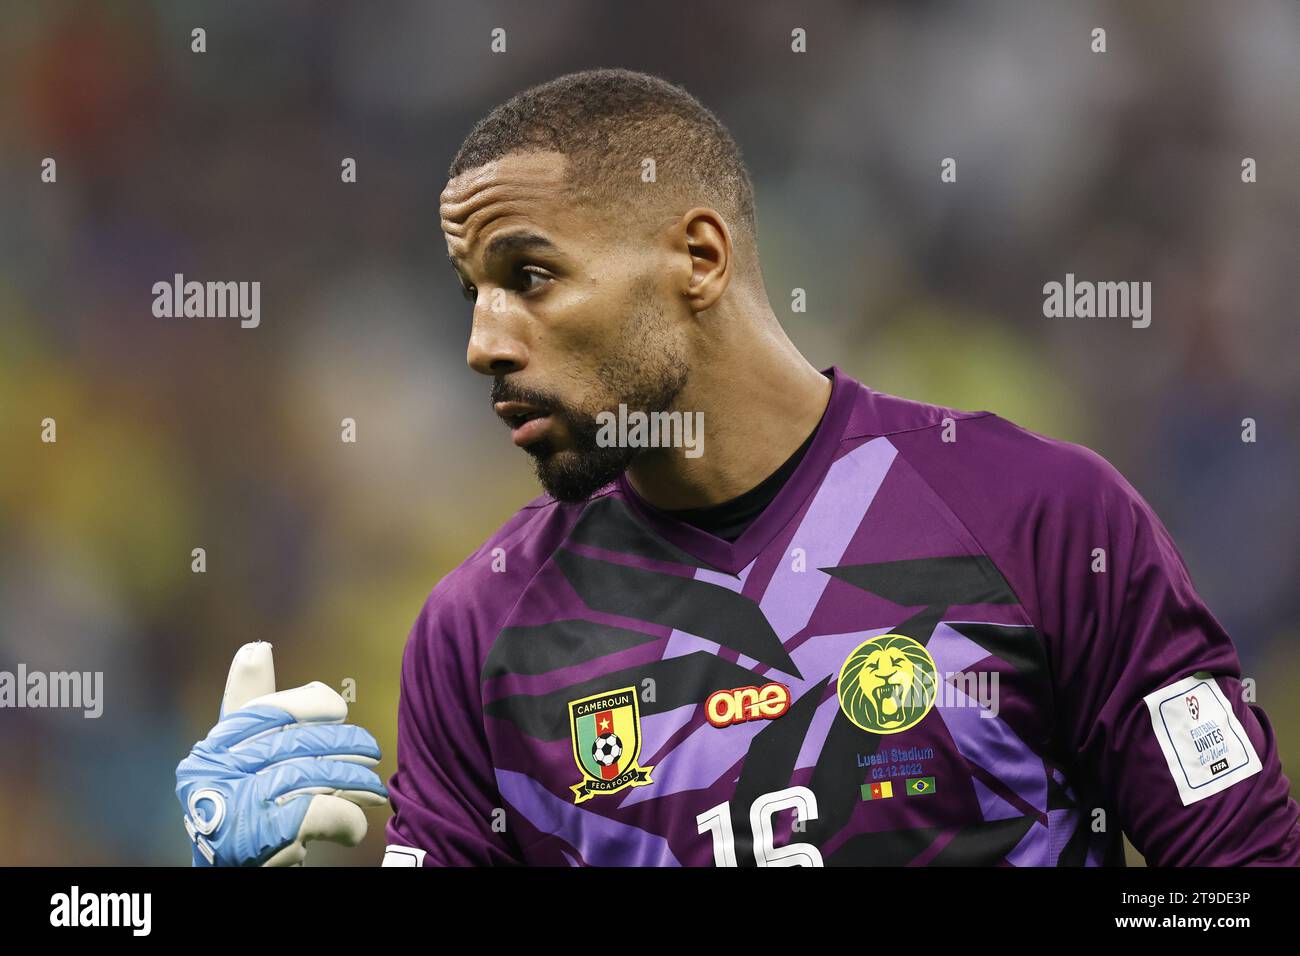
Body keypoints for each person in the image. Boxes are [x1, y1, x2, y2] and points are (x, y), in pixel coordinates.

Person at [177, 68, 1299, 867]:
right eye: (469, 293)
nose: (483, 341)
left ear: (699, 258)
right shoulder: (478, 634)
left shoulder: (1040, 518)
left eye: (528, 275)